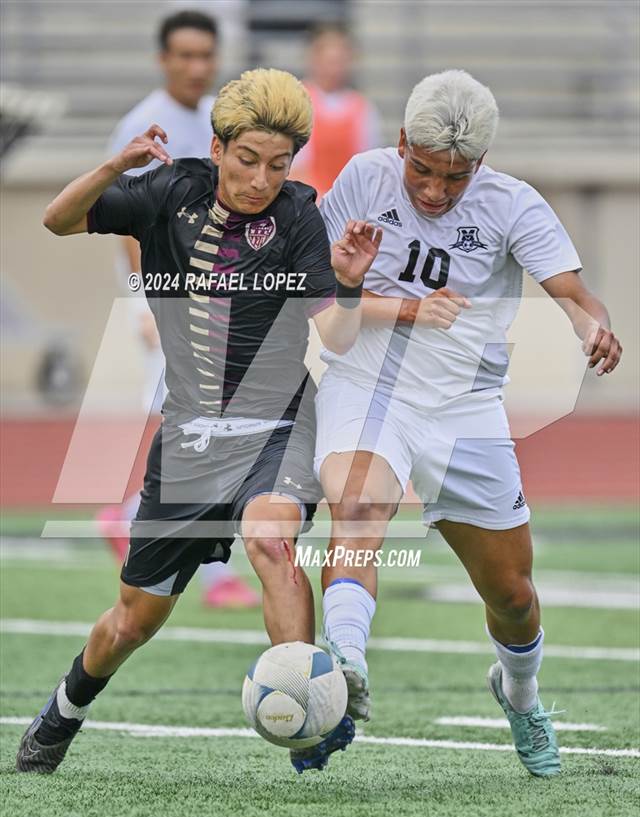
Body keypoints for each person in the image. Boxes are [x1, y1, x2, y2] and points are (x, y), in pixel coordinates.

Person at [16, 67, 382, 776]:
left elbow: (333, 339)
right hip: (189, 440)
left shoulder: (301, 217)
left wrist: (349, 282)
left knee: (271, 541)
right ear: (216, 149)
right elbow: (57, 218)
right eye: (247, 160)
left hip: (278, 426)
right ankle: (62, 712)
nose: (260, 179)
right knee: (132, 622)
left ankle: (307, 723)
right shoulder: (168, 192)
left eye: (278, 165)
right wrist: (117, 165)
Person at [314, 69, 622, 777]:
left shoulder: (512, 203)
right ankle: (345, 665)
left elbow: (576, 295)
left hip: (465, 405)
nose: (433, 190)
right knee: (359, 504)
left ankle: (520, 696)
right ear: (400, 144)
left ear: (478, 165)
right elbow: (324, 317)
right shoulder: (362, 180)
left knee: (513, 594)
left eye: (453, 177)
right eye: (422, 170)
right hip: (369, 384)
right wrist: (353, 282)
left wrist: (592, 328)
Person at [96, 9, 258, 607]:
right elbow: (130, 220)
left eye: (204, 56)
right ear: (163, 59)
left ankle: (131, 516)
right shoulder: (143, 124)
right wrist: (145, 300)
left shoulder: (222, 118)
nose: (196, 66)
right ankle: (214, 572)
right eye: (184, 56)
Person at [288, 22, 381, 199]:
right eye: (328, 60)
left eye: (340, 60)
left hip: (348, 205)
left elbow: (368, 168)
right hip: (305, 203)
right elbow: (292, 166)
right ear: (313, 58)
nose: (334, 68)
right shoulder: (296, 100)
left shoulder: (364, 108)